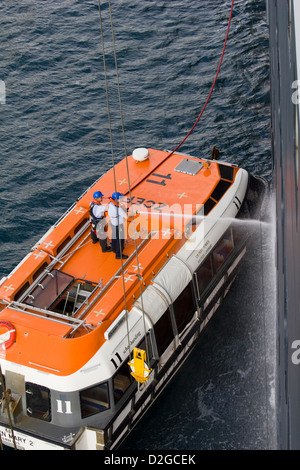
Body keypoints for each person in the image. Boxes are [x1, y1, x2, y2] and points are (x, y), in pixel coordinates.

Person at [108, 192, 130, 259]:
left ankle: (114, 249)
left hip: (113, 223)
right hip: (118, 225)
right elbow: (127, 217)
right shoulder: (118, 208)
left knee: (114, 237)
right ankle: (118, 254)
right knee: (120, 240)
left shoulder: (110, 204)